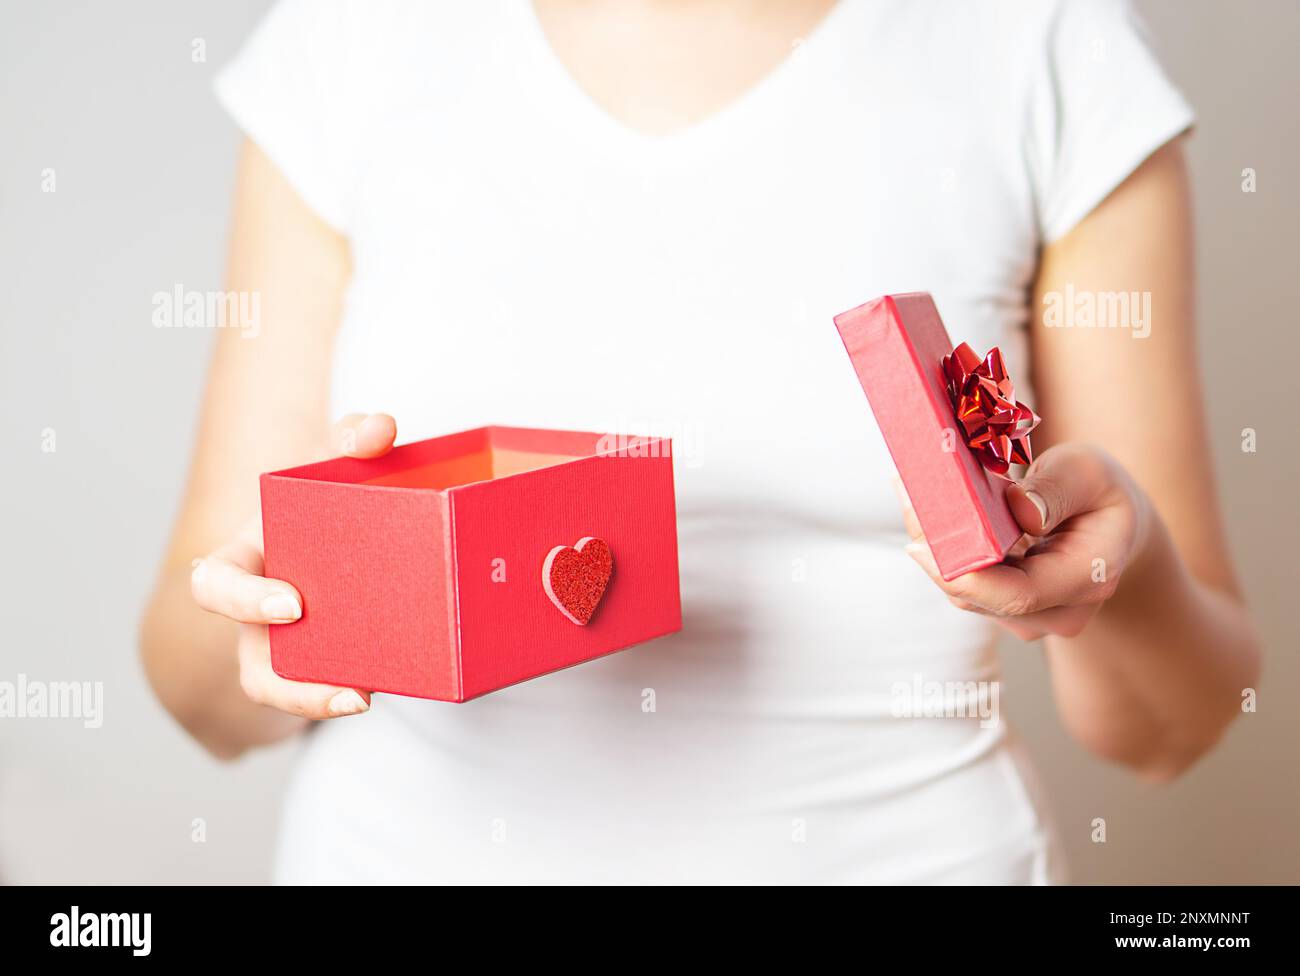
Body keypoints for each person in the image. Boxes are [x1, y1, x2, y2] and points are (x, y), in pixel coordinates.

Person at [141, 0, 1260, 883]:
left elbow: (1167, 731)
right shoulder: (348, 43)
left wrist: (1123, 559)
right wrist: (319, 604)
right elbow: (196, 685)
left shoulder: (1047, 42)